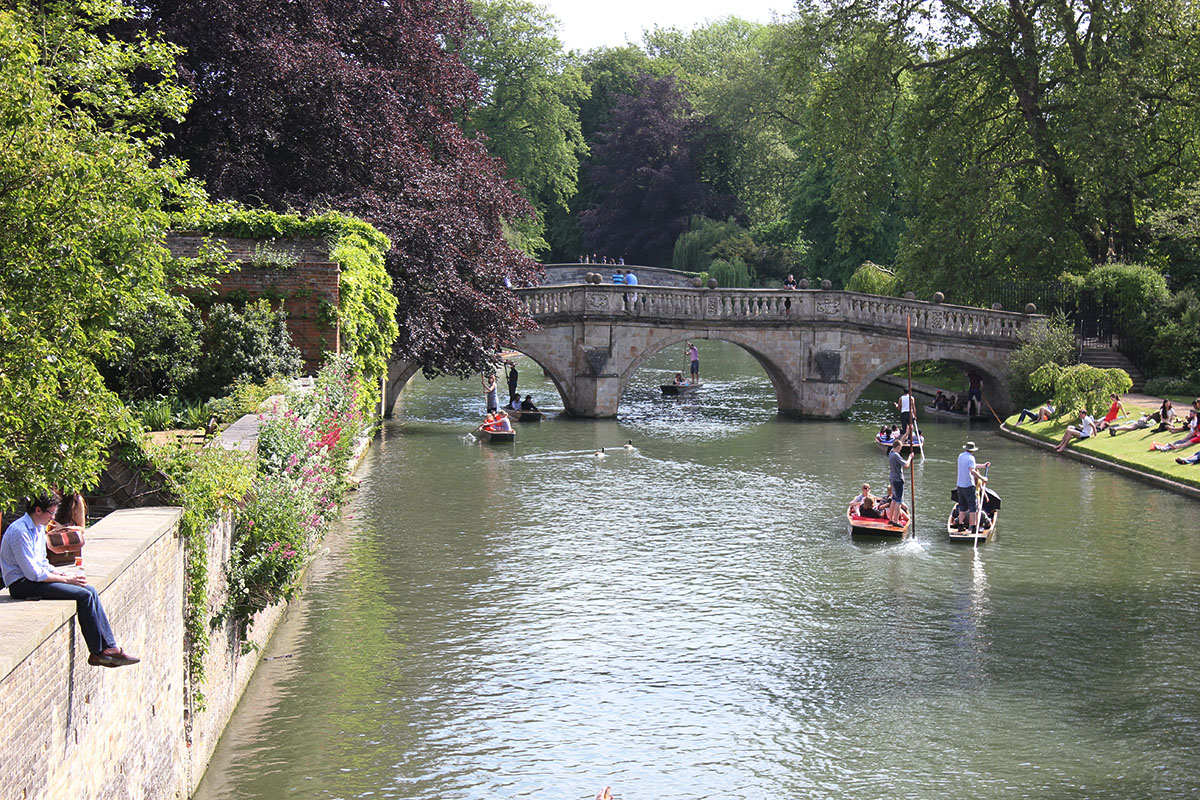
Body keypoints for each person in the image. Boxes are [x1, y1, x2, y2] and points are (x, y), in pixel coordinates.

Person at [1, 494, 139, 667]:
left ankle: (109, 647)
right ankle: (97, 652)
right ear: (37, 510)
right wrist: (66, 581)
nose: (53, 518)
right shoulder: (20, 532)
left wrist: (65, 575)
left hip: (35, 580)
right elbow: (33, 574)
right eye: (50, 513)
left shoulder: (37, 527)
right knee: (83, 596)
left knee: (91, 590)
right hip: (22, 585)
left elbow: (43, 562)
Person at [955, 441, 991, 530]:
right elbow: (972, 470)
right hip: (968, 486)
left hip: (960, 485)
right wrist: (983, 478)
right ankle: (973, 528)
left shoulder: (960, 456)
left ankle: (960, 526)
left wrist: (983, 466)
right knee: (973, 508)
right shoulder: (971, 458)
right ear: (973, 450)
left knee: (962, 507)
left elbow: (972, 466)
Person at [887, 441, 913, 526]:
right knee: (899, 500)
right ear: (897, 446)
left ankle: (890, 519)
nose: (901, 448)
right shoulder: (896, 456)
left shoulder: (891, 452)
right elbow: (906, 465)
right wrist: (910, 457)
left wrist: (907, 432)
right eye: (900, 447)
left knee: (894, 499)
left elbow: (901, 440)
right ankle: (895, 521)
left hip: (892, 479)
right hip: (898, 480)